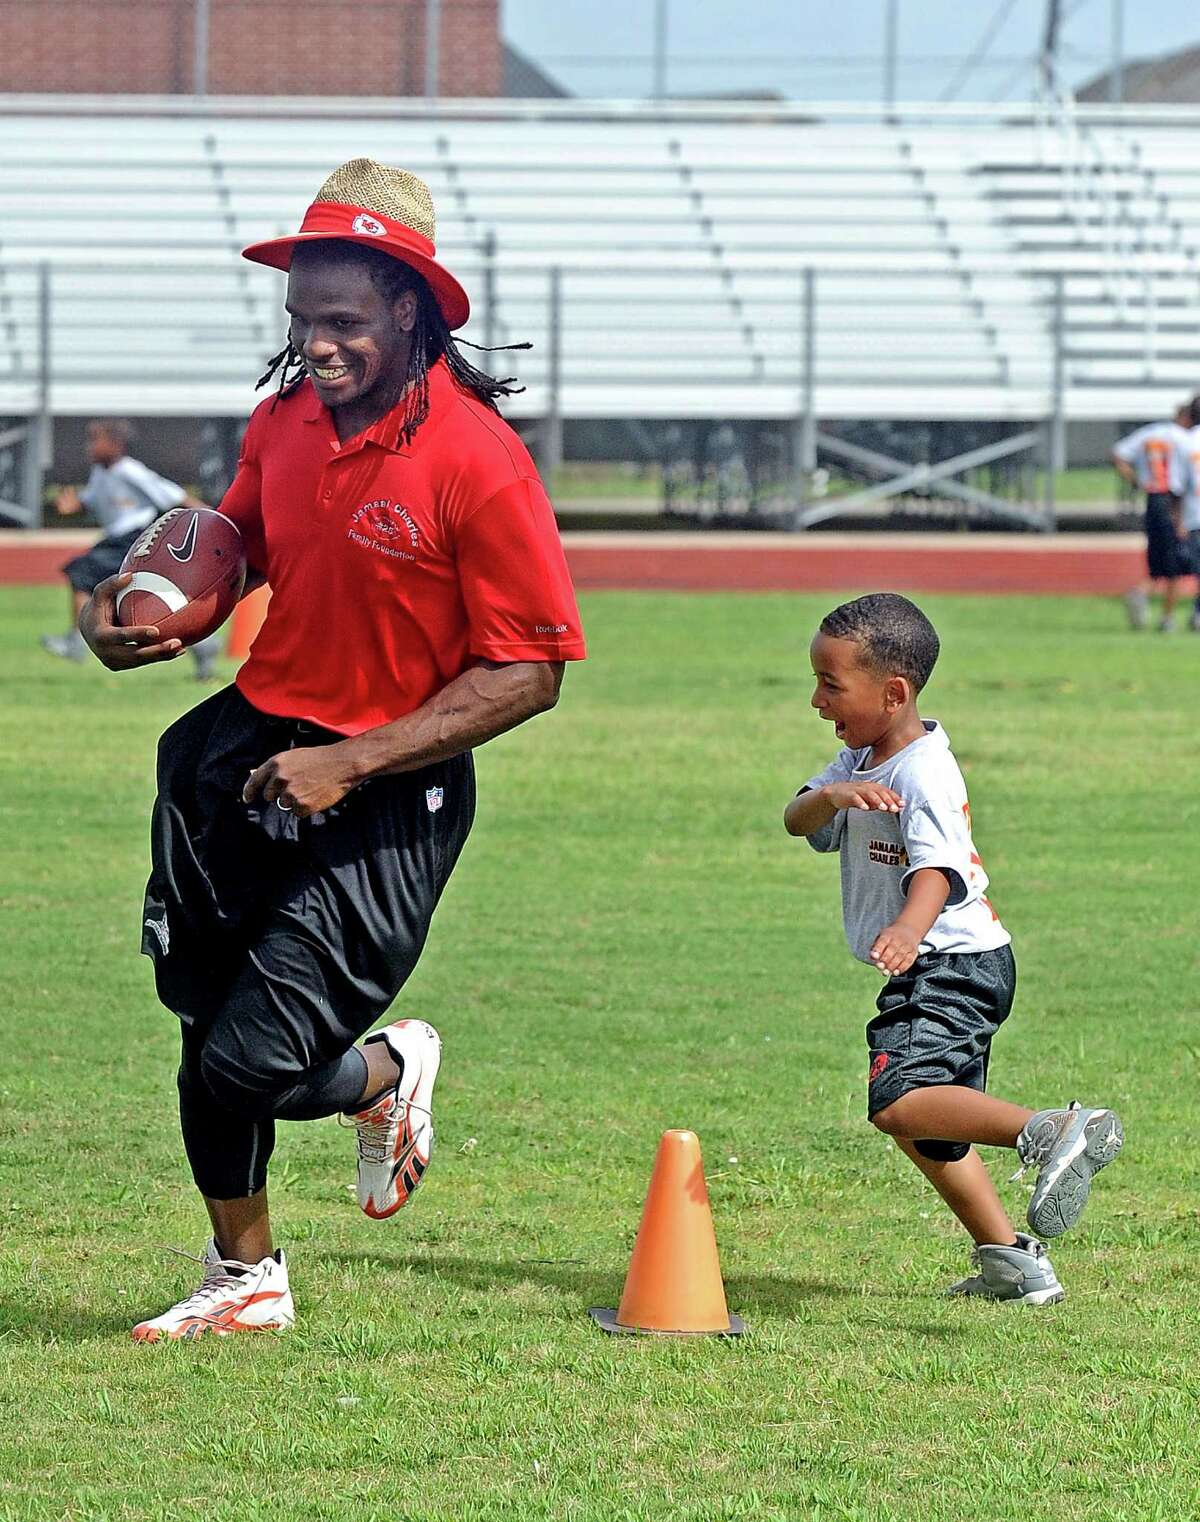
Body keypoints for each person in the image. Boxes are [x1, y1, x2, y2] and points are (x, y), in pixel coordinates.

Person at [79, 158, 587, 1341]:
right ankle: (244, 1274)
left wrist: (352, 763)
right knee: (203, 1033)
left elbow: (530, 672)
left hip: (381, 793)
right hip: (245, 754)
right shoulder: (284, 423)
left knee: (249, 1064)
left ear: (410, 309)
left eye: (345, 320)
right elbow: (228, 547)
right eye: (302, 320)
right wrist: (128, 608)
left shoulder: (477, 461)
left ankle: (385, 1075)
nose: (316, 345)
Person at [784, 593, 1123, 1305]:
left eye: (830, 683)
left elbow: (940, 870)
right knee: (931, 1127)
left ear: (893, 691)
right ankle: (1012, 1264)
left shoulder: (923, 773)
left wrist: (909, 929)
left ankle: (1054, 1130)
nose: (817, 698)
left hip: (948, 963)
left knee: (900, 1102)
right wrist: (836, 797)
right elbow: (796, 817)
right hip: (953, 963)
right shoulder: (859, 757)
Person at [42, 419, 220, 679]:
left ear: (115, 444)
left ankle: (75, 642)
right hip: (116, 540)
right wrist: (75, 505)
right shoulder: (102, 473)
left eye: (95, 440)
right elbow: (91, 499)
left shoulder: (129, 470)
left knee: (81, 572)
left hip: (134, 539)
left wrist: (213, 520)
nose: (88, 447)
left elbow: (170, 494)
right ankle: (204, 646)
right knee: (140, 605)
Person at [1112, 400, 1198, 632]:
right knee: (1175, 564)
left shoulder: (1151, 432)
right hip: (1172, 501)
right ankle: (1166, 617)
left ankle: (1143, 591)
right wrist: (1180, 519)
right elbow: (1182, 483)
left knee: (1159, 559)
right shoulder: (1185, 441)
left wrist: (1137, 480)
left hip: (1152, 499)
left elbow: (1118, 454)